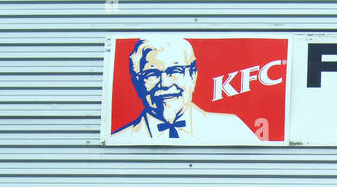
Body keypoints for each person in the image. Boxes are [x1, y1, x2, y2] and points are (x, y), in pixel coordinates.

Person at [110, 37, 258, 144]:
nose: (165, 83)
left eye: (175, 70)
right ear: (137, 82)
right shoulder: (118, 139)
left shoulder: (233, 129)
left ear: (192, 76)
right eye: (151, 74)